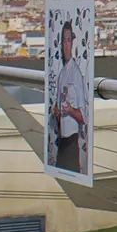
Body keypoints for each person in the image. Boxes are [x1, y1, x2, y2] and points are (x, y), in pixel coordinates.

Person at [51, 20, 87, 174]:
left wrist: (71, 111)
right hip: (61, 139)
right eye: (63, 41)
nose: (65, 45)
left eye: (68, 40)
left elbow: (83, 116)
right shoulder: (62, 74)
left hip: (72, 140)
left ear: (72, 43)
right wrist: (57, 111)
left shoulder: (76, 73)